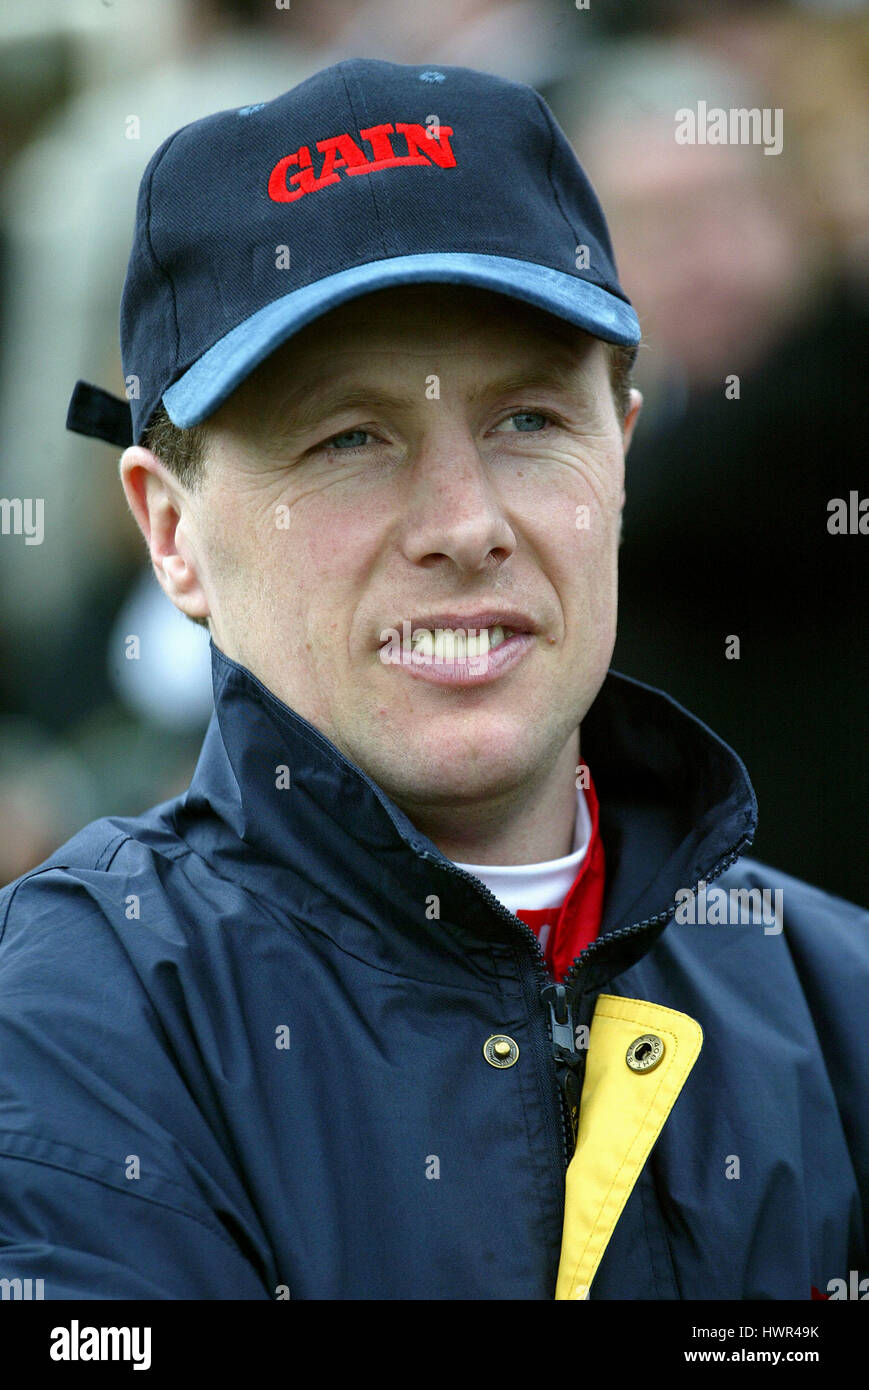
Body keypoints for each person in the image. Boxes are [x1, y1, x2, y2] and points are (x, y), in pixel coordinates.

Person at [0, 58, 865, 1302]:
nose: (465, 523)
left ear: (619, 456)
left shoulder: (837, 1002)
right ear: (172, 532)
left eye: (527, 422)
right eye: (347, 439)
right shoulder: (75, 1024)